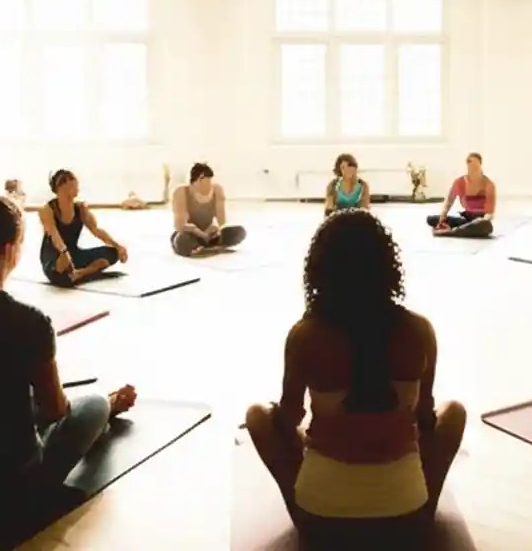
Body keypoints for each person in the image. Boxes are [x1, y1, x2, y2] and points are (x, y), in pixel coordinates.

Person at [244, 210, 467, 549]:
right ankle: (413, 499)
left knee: (257, 416)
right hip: (407, 522)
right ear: (387, 267)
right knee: (455, 413)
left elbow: (289, 420)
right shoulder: (420, 331)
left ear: (320, 271)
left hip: (320, 524)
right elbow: (425, 417)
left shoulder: (304, 336)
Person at [0, 196, 137, 511]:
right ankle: (109, 405)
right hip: (16, 478)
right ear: (8, 250)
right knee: (95, 402)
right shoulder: (29, 321)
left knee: (2, 404)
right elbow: (56, 409)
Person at [39, 170, 128, 287]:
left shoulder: (80, 208)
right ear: (62, 186)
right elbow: (54, 235)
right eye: (73, 182)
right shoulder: (47, 210)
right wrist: (64, 252)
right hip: (55, 257)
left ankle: (80, 273)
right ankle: (74, 272)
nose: (77, 187)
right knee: (62, 269)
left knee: (112, 253)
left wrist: (118, 246)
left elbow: (96, 230)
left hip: (74, 254)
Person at [171, 162, 246, 256]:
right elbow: (179, 225)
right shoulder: (181, 192)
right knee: (182, 240)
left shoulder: (217, 190)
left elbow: (221, 220)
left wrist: (214, 229)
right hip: (190, 234)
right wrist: (201, 234)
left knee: (238, 231)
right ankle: (198, 247)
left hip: (210, 233)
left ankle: (208, 245)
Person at [426, 153, 497, 237]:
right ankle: (461, 230)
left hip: (481, 221)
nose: (472, 166)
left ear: (480, 165)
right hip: (466, 220)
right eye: (469, 162)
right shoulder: (459, 182)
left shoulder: (489, 184)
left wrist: (482, 220)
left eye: (475, 164)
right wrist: (442, 217)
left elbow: (490, 212)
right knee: (431, 219)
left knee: (484, 226)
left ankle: (452, 232)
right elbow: (449, 201)